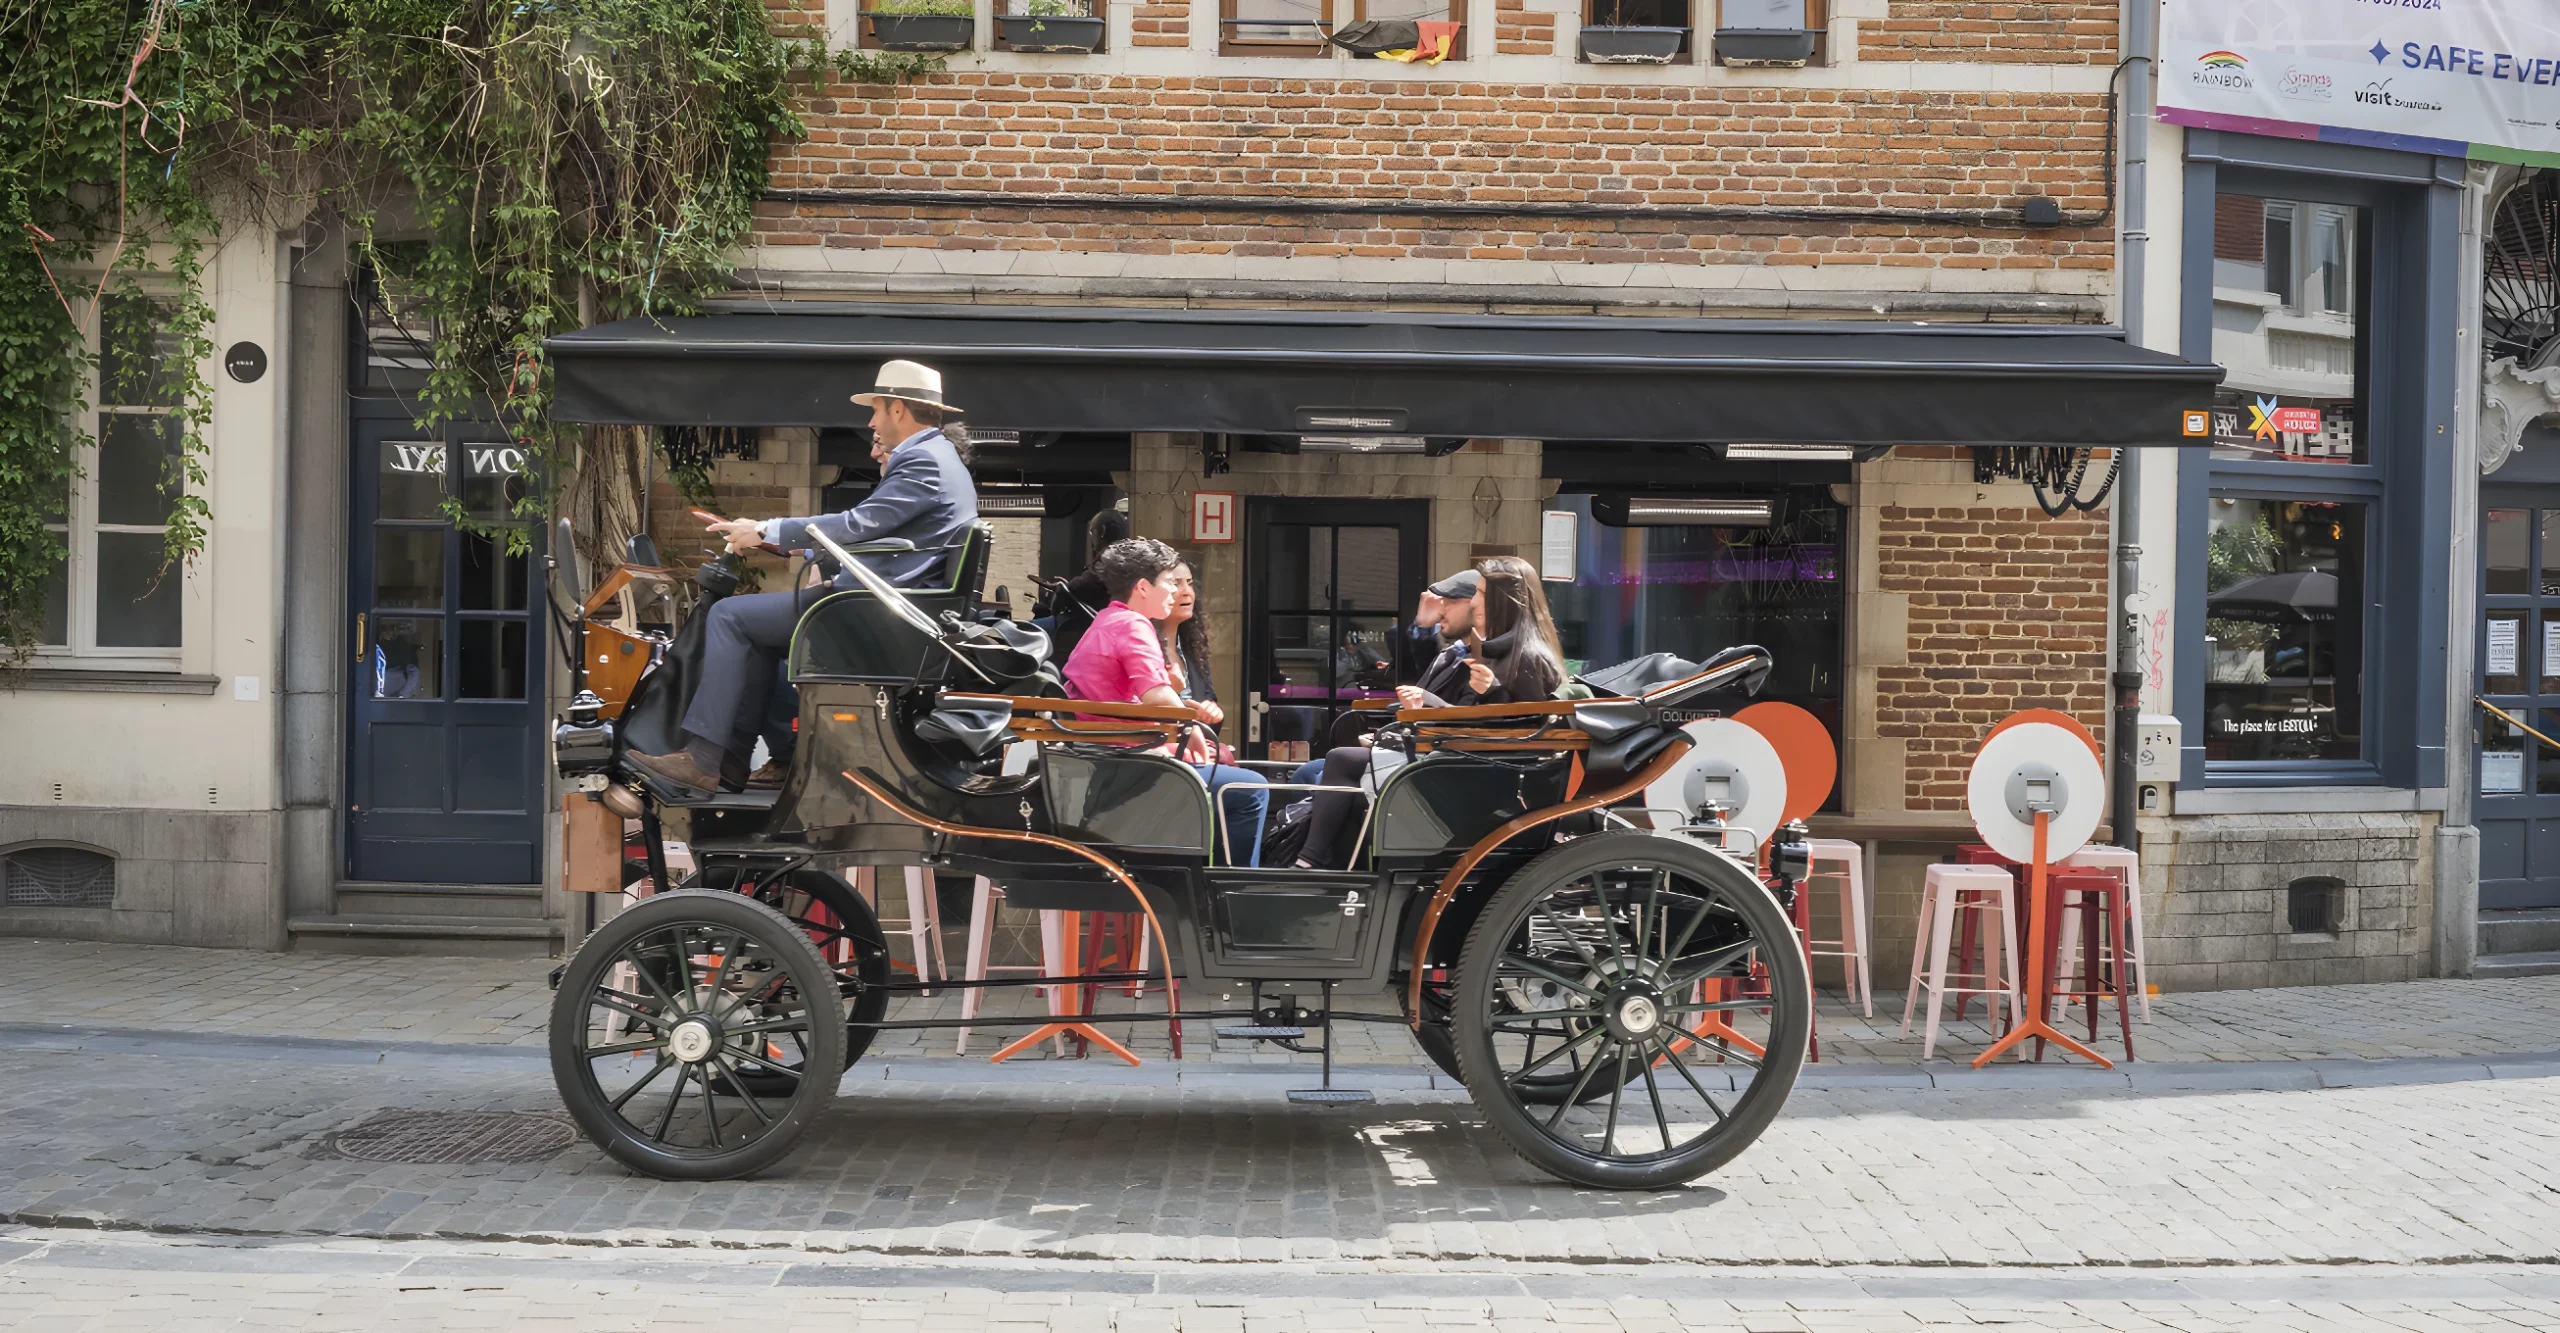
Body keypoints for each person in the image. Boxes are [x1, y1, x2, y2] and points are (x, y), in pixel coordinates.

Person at [628, 359, 978, 793]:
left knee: (730, 617)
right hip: (891, 609)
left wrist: (765, 528)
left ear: (898, 410)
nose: (871, 420)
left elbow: (859, 524)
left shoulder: (924, 460)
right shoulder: (940, 460)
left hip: (876, 615)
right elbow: (882, 534)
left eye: (875, 410)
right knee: (751, 630)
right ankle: (726, 761)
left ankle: (706, 757)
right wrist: (783, 542)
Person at [1290, 558, 1565, 869]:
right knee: (1334, 767)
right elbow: (1475, 715)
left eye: (1480, 594)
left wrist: (1490, 692)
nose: (1474, 603)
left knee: (1340, 759)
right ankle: (1325, 860)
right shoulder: (1497, 651)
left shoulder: (1523, 656)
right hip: (1462, 758)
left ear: (1502, 602)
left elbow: (1528, 732)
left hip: (1476, 774)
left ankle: (1311, 860)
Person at [1063, 538, 1268, 865]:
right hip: (1133, 769)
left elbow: (1126, 696)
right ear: (1143, 587)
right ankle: (1232, 887)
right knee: (1249, 788)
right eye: (1170, 583)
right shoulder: (1133, 624)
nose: (1176, 592)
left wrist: (1173, 695)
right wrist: (1191, 725)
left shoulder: (1105, 620)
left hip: (1106, 763)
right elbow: (1155, 697)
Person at [1033, 508, 1129, 662]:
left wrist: (1063, 587)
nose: (1092, 539)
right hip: (1099, 627)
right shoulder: (1124, 556)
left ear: (1102, 532)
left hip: (1083, 627)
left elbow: (1077, 588)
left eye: (1092, 532)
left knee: (1025, 632)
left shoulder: (1110, 558)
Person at [1155, 555, 1225, 742]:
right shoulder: (1143, 645)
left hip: (1197, 750)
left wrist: (1213, 713)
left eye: (1190, 583)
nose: (1187, 592)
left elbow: (1210, 710)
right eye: (1176, 583)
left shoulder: (1192, 648)